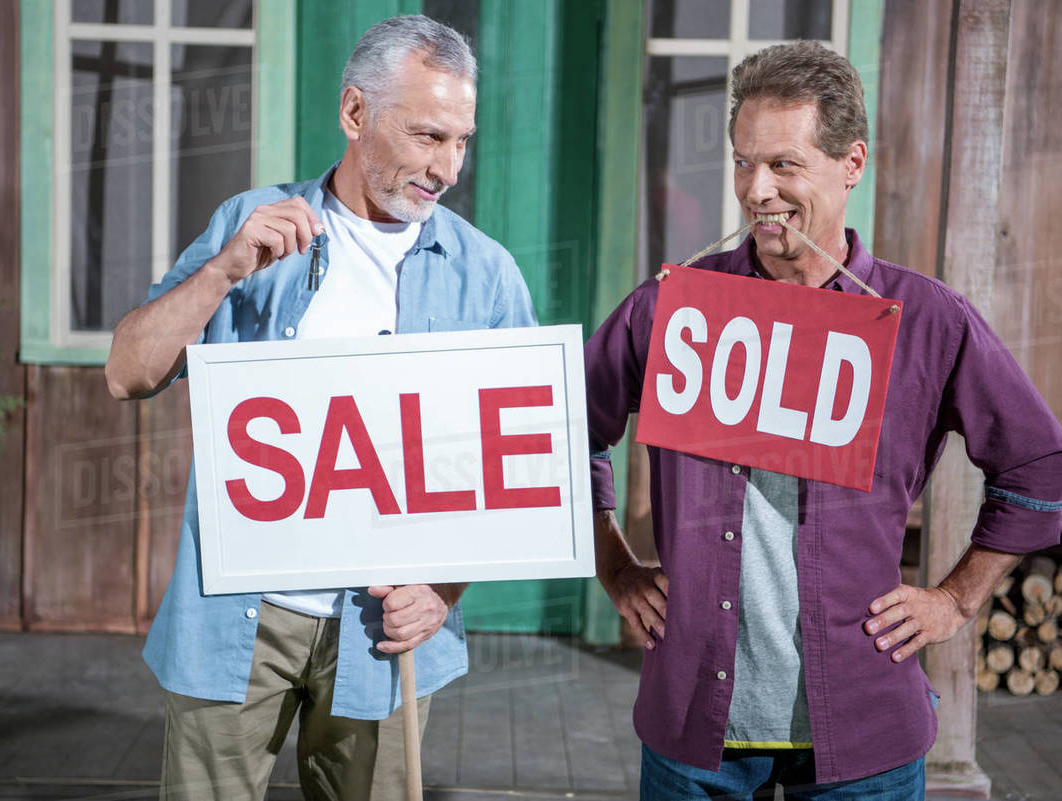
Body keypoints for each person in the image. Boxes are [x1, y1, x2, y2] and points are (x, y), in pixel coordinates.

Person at [585, 41, 1062, 799]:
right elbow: (564, 430)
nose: (756, 189)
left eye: (783, 165)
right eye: (743, 162)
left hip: (864, 735)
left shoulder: (926, 321)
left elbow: (1040, 464)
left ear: (852, 163)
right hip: (693, 730)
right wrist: (613, 562)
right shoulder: (676, 305)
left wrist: (956, 599)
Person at [105, 15, 536, 800]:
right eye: (428, 136)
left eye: (461, 140)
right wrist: (222, 273)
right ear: (354, 114)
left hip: (385, 630)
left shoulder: (489, 276)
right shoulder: (251, 225)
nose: (448, 167)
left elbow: (514, 470)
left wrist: (443, 591)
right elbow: (127, 372)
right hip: (238, 615)